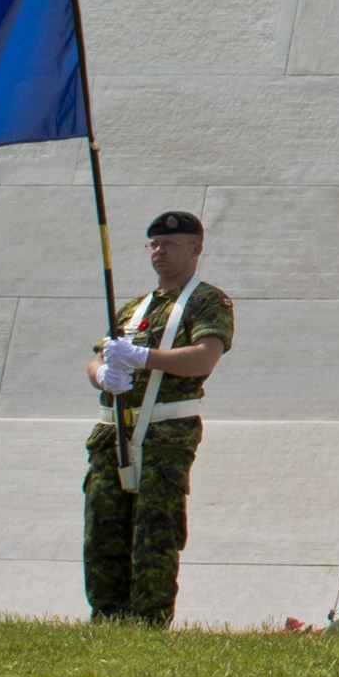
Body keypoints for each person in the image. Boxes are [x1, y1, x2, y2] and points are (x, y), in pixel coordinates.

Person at [83, 211, 233, 626]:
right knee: (103, 531)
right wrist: (102, 374)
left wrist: (144, 357)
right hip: (112, 434)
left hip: (165, 435)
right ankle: (107, 619)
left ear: (195, 249)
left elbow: (203, 357)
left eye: (169, 244)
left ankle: (149, 623)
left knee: (154, 534)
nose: (159, 252)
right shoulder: (134, 308)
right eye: (153, 245)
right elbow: (97, 357)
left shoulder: (207, 302)